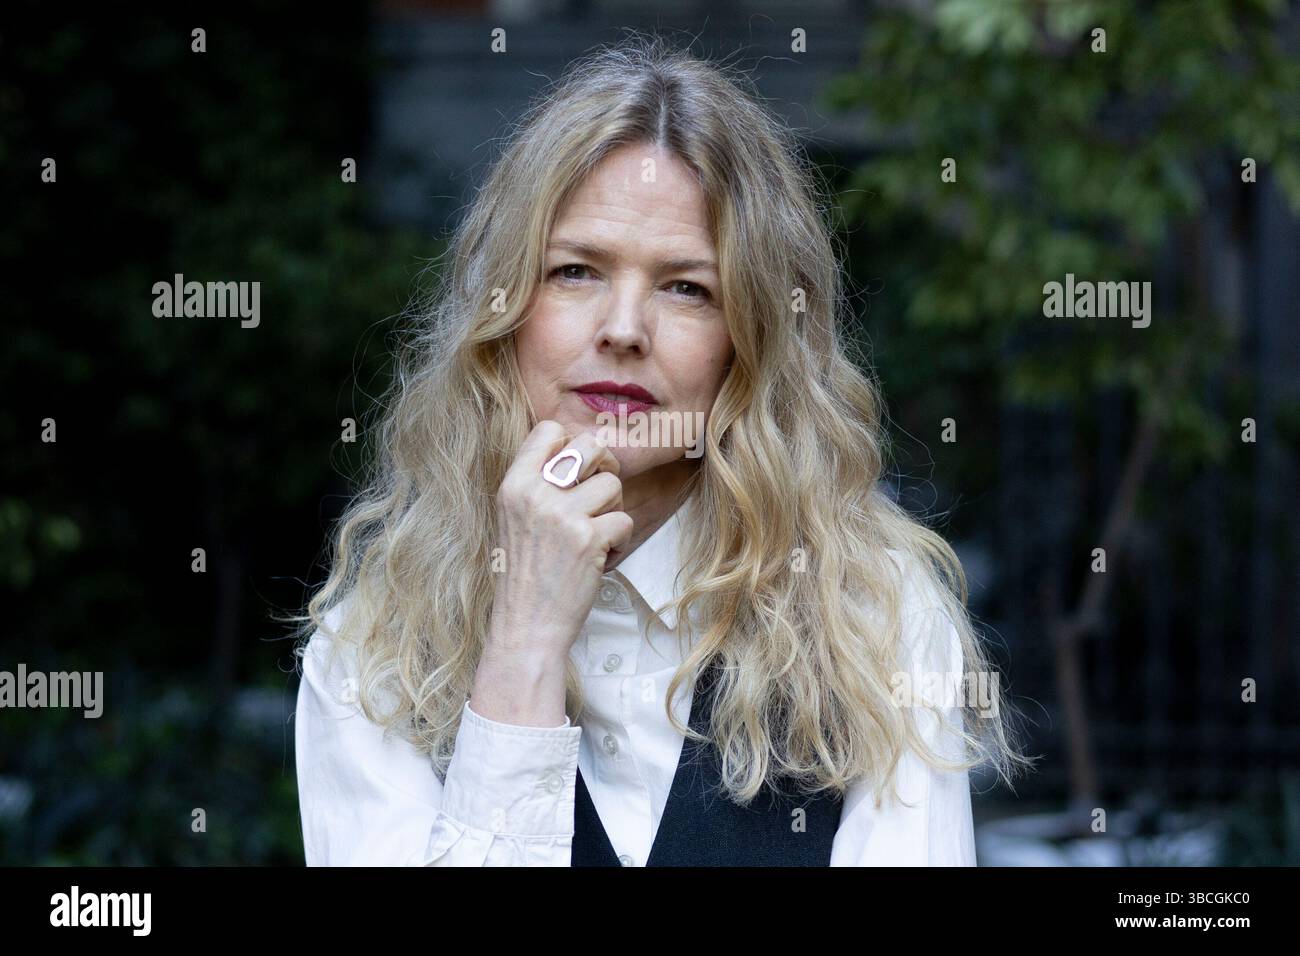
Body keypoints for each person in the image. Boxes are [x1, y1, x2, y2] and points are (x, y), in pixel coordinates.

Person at [293, 35, 1028, 866]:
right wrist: (524, 645)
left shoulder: (874, 619)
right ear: (504, 311)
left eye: (687, 288)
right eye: (575, 271)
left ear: (747, 340)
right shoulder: (372, 653)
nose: (623, 329)